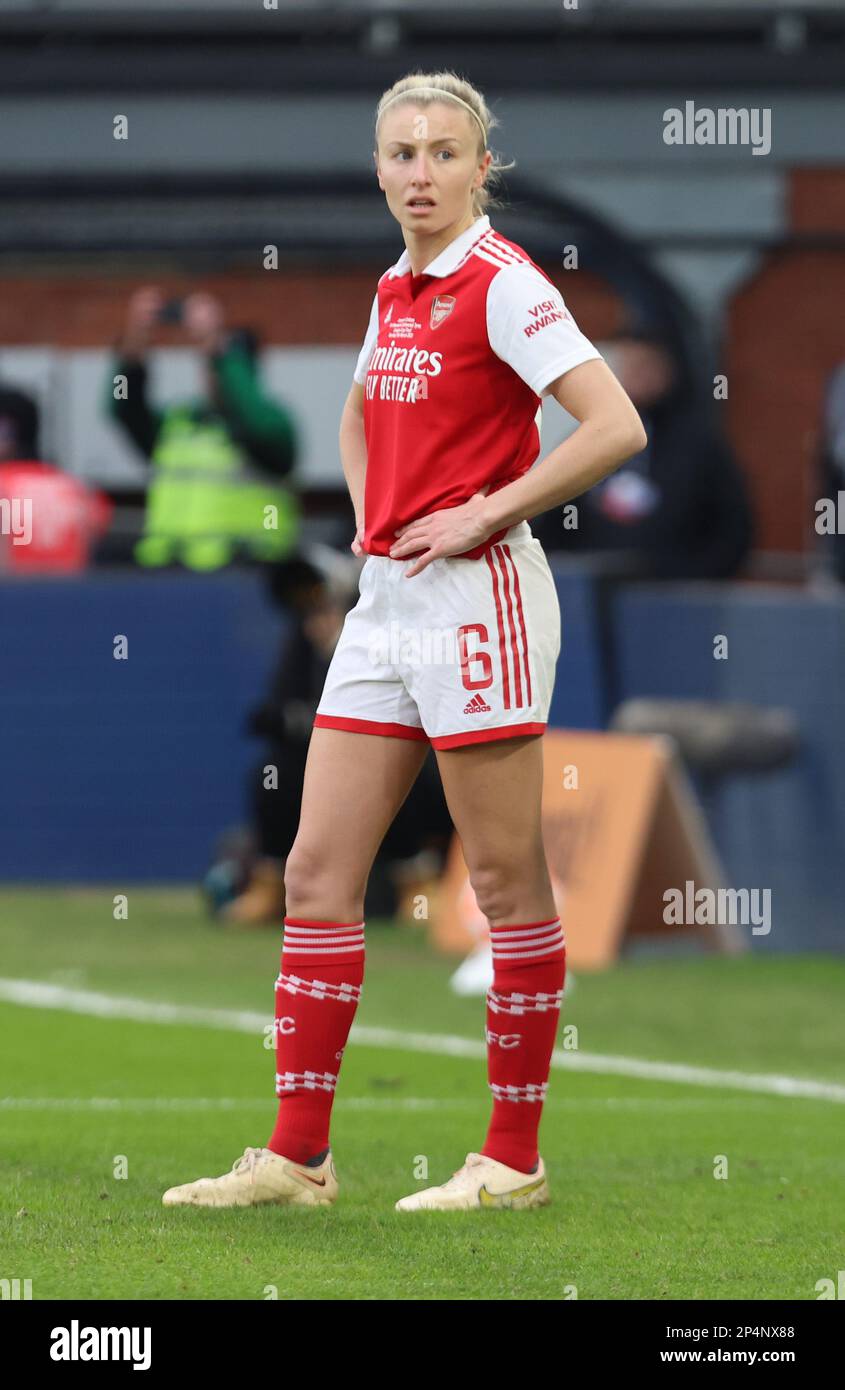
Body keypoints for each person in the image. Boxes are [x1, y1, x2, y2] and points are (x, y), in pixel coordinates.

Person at [162, 70, 645, 1214]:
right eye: (400, 153)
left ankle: (512, 1159)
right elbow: (358, 414)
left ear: (485, 167)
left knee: (505, 879)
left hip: (480, 597)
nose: (418, 172)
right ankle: (296, 1156)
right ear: (376, 167)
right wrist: (380, 528)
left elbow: (611, 422)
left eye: (442, 152)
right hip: (391, 599)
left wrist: (489, 508)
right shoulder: (397, 282)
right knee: (320, 873)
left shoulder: (501, 285)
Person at [532, 329, 753, 578]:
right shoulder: (587, 440)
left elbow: (732, 529)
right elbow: (550, 517)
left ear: (668, 370)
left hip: (673, 597)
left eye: (646, 365)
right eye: (628, 364)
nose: (636, 376)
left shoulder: (699, 445)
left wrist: (690, 578)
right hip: (592, 597)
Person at [106, 290, 300, 570]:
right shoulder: (178, 423)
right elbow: (124, 407)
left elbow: (255, 422)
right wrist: (134, 346)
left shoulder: (274, 425)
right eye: (208, 363)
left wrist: (218, 348)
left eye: (220, 364)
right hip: (168, 577)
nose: (212, 373)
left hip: (245, 577)